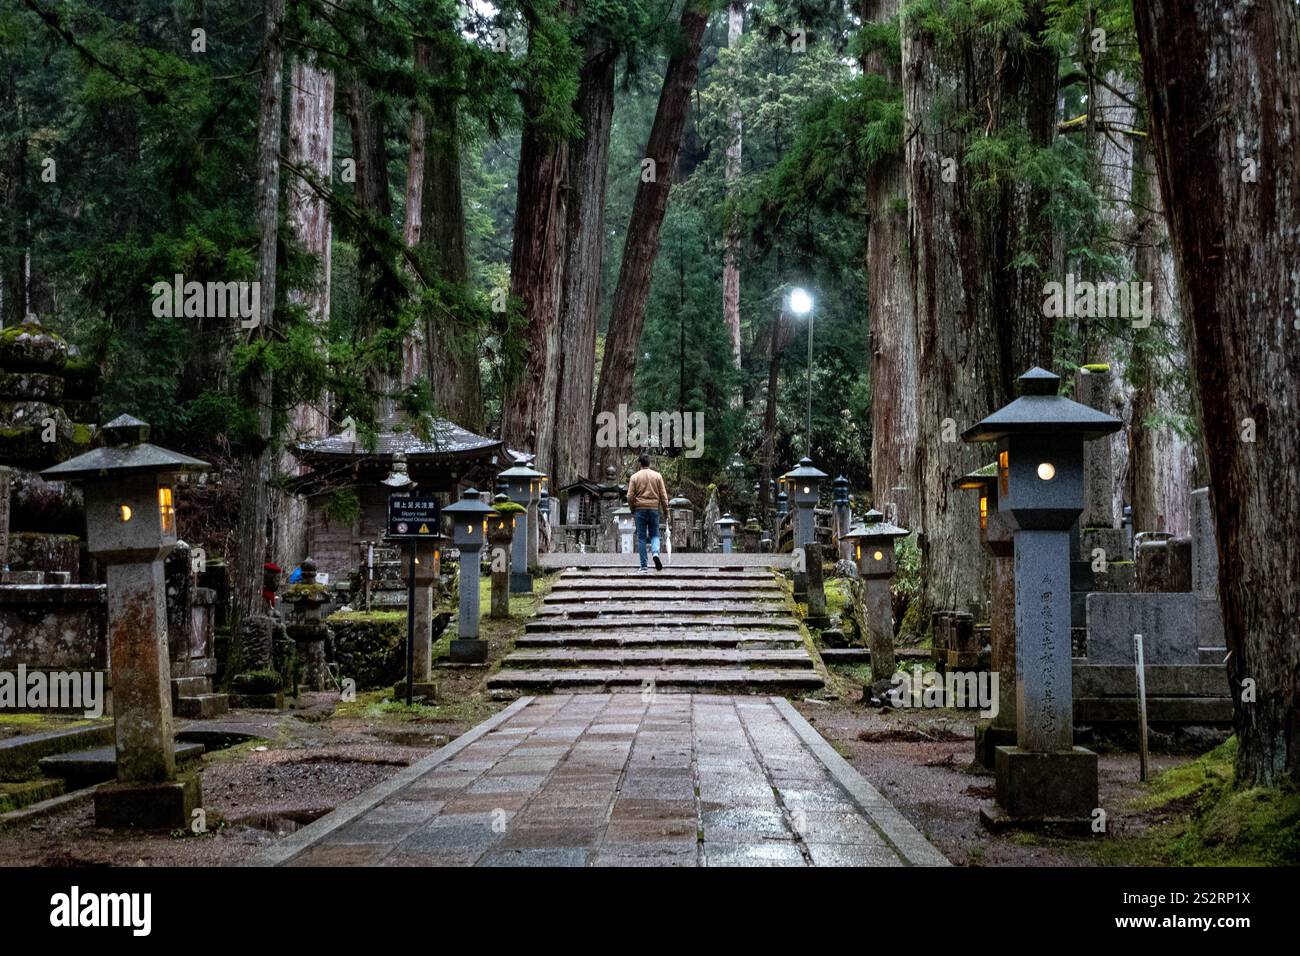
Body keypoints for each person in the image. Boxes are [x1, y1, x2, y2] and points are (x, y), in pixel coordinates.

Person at [626, 452, 669, 572]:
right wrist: (666, 511)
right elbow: (663, 496)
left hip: (640, 509)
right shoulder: (657, 476)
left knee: (642, 538)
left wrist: (632, 508)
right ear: (649, 463)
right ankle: (655, 553)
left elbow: (629, 496)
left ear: (639, 463)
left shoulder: (634, 477)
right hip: (654, 509)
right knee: (655, 535)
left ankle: (644, 566)